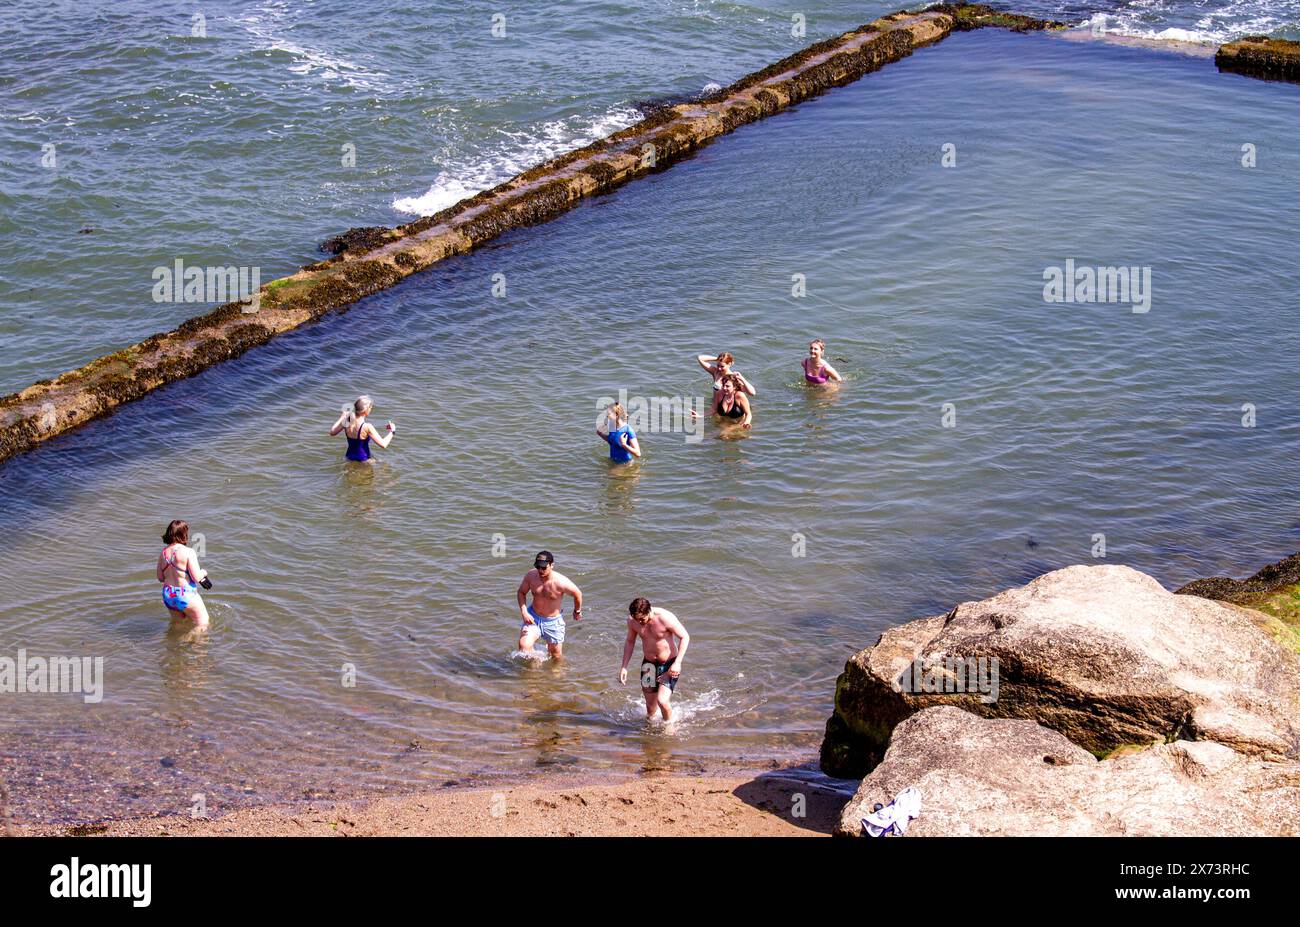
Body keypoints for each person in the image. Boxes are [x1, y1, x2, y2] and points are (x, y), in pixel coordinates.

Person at [619, 597, 690, 722]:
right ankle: (650, 730)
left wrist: (678, 663)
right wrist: (624, 667)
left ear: (649, 611)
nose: (639, 622)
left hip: (669, 665)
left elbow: (685, 637)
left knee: (662, 701)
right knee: (650, 708)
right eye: (636, 619)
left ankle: (669, 728)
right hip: (649, 666)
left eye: (642, 619)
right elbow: (630, 642)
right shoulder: (632, 621)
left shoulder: (665, 617)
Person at [516, 551, 583, 659]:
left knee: (556, 656)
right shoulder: (531, 576)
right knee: (524, 646)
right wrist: (524, 612)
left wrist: (577, 611)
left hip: (553, 622)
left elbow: (578, 594)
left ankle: (554, 675)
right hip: (533, 617)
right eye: (538, 567)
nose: (540, 570)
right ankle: (535, 666)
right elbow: (521, 592)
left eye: (543, 567)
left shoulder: (561, 582)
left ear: (552, 565)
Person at [156, 519, 211, 627]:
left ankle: (177, 642)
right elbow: (196, 577)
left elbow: (160, 577)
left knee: (178, 625)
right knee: (203, 623)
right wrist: (204, 572)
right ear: (183, 534)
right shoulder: (188, 552)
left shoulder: (163, 553)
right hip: (185, 595)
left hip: (169, 595)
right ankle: (189, 638)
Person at [329, 395, 395, 462]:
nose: (371, 410)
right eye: (370, 408)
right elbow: (383, 444)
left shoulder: (347, 422)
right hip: (364, 460)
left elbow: (332, 432)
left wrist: (342, 417)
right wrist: (392, 431)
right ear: (365, 411)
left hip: (349, 457)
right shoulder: (367, 426)